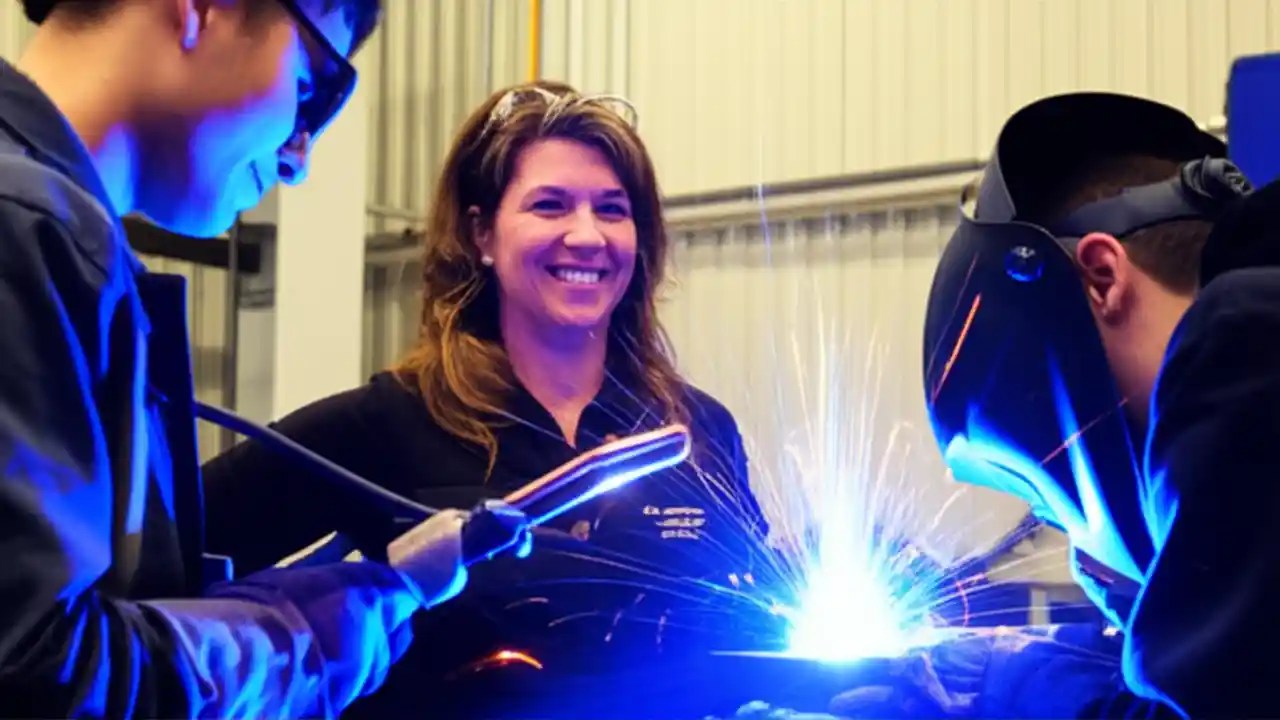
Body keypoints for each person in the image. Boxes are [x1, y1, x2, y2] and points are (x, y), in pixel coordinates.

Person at [0, 1, 529, 717]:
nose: (300, 155)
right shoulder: (26, 232)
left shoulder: (56, 240)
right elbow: (35, 674)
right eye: (314, 86)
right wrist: (294, 642)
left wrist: (240, 612)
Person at [199, 79, 771, 717]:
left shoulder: (694, 430)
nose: (587, 236)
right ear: (482, 235)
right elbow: (162, 554)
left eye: (612, 210)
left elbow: (747, 621)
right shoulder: (387, 425)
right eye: (550, 206)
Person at [914, 90, 1273, 718]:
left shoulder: (1248, 341)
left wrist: (1013, 682)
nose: (1074, 536)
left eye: (1048, 496)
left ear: (1102, 277)